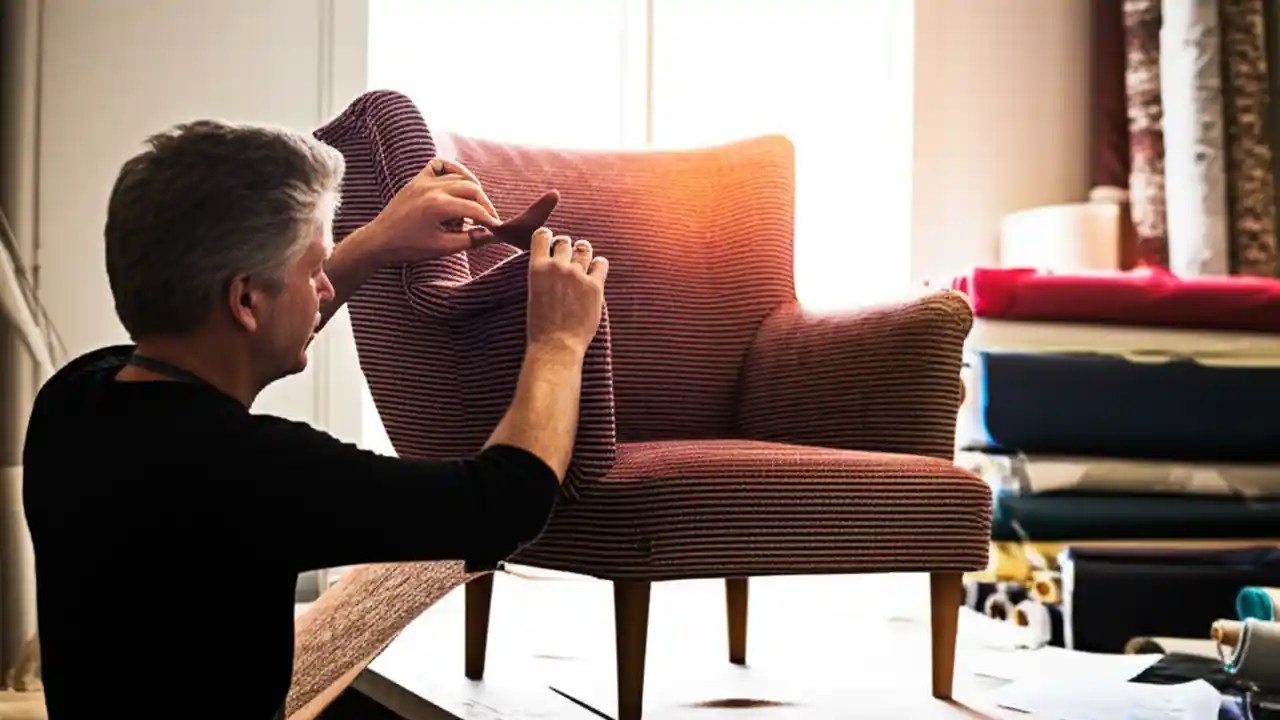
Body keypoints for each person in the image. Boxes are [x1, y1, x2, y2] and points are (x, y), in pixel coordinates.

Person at [21, 120, 608, 719]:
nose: (326, 288)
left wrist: (377, 241)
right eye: (314, 270)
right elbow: (504, 502)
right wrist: (557, 342)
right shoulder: (254, 472)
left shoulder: (71, 401)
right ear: (245, 299)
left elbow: (228, 343)